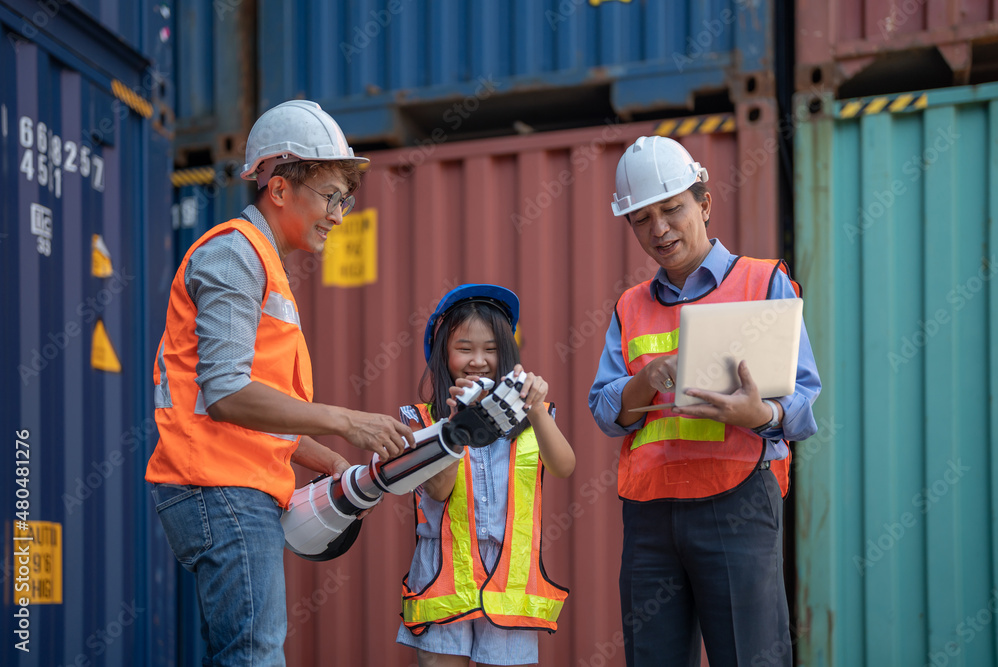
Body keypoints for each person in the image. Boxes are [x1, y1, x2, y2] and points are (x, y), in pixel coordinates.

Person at [145, 100, 414, 666]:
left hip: (232, 485)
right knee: (254, 655)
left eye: (346, 199)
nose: (339, 215)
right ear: (280, 187)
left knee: (253, 652)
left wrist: (336, 466)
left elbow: (262, 416)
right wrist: (347, 421)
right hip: (219, 488)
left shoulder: (265, 264)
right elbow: (226, 395)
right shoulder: (233, 256)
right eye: (331, 196)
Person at [588, 136, 822, 667]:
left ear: (705, 203)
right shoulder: (630, 307)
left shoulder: (763, 283)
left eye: (672, 209)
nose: (660, 230)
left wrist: (759, 416)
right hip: (650, 516)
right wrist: (646, 378)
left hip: (736, 503)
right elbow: (606, 412)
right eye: (642, 219)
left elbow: (804, 404)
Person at [396, 284, 575, 667]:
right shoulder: (423, 420)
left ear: (507, 353)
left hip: (511, 577)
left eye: (491, 349)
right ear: (443, 353)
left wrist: (538, 409)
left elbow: (564, 466)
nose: (478, 360)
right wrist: (454, 426)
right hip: (442, 574)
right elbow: (439, 490)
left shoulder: (532, 417)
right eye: (465, 348)